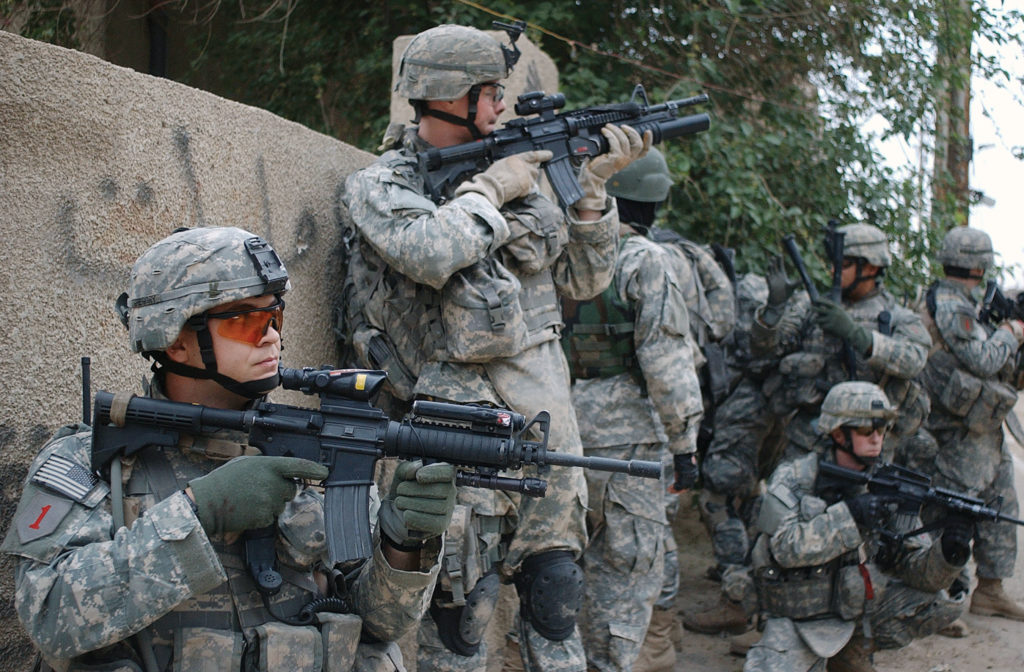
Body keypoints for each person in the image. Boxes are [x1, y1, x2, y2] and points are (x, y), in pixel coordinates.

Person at [1, 226, 454, 672]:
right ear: (175, 339)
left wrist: (402, 544)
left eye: (275, 316)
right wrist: (199, 512)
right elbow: (50, 617)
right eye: (245, 321)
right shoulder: (92, 462)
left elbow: (381, 623)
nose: (271, 336)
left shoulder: (313, 451)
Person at [339, 23, 650, 672]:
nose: (502, 104)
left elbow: (583, 282)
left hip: (542, 417)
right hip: (450, 418)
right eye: (490, 91)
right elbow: (432, 252)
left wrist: (592, 193)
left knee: (555, 592)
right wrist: (492, 191)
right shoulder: (383, 185)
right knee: (462, 607)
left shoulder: (518, 173)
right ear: (450, 95)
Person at [561, 147, 703, 672]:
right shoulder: (645, 260)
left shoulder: (563, 248)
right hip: (630, 450)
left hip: (559, 433)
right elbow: (666, 360)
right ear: (656, 201)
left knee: (554, 568)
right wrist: (685, 445)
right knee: (623, 578)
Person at [745, 381, 968, 672]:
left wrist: (948, 554)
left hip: (855, 610)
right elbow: (785, 547)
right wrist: (850, 515)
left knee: (938, 600)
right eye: (867, 430)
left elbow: (915, 570)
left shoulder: (887, 484)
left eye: (882, 429)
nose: (877, 438)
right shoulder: (795, 477)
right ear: (838, 433)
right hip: (797, 615)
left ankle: (852, 652)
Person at [918, 226, 1024, 622]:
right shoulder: (948, 304)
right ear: (979, 266)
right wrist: (1011, 334)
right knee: (954, 511)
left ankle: (991, 590)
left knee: (1000, 503)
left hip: (981, 428)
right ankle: (941, 599)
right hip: (955, 431)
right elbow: (981, 360)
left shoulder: (967, 304)